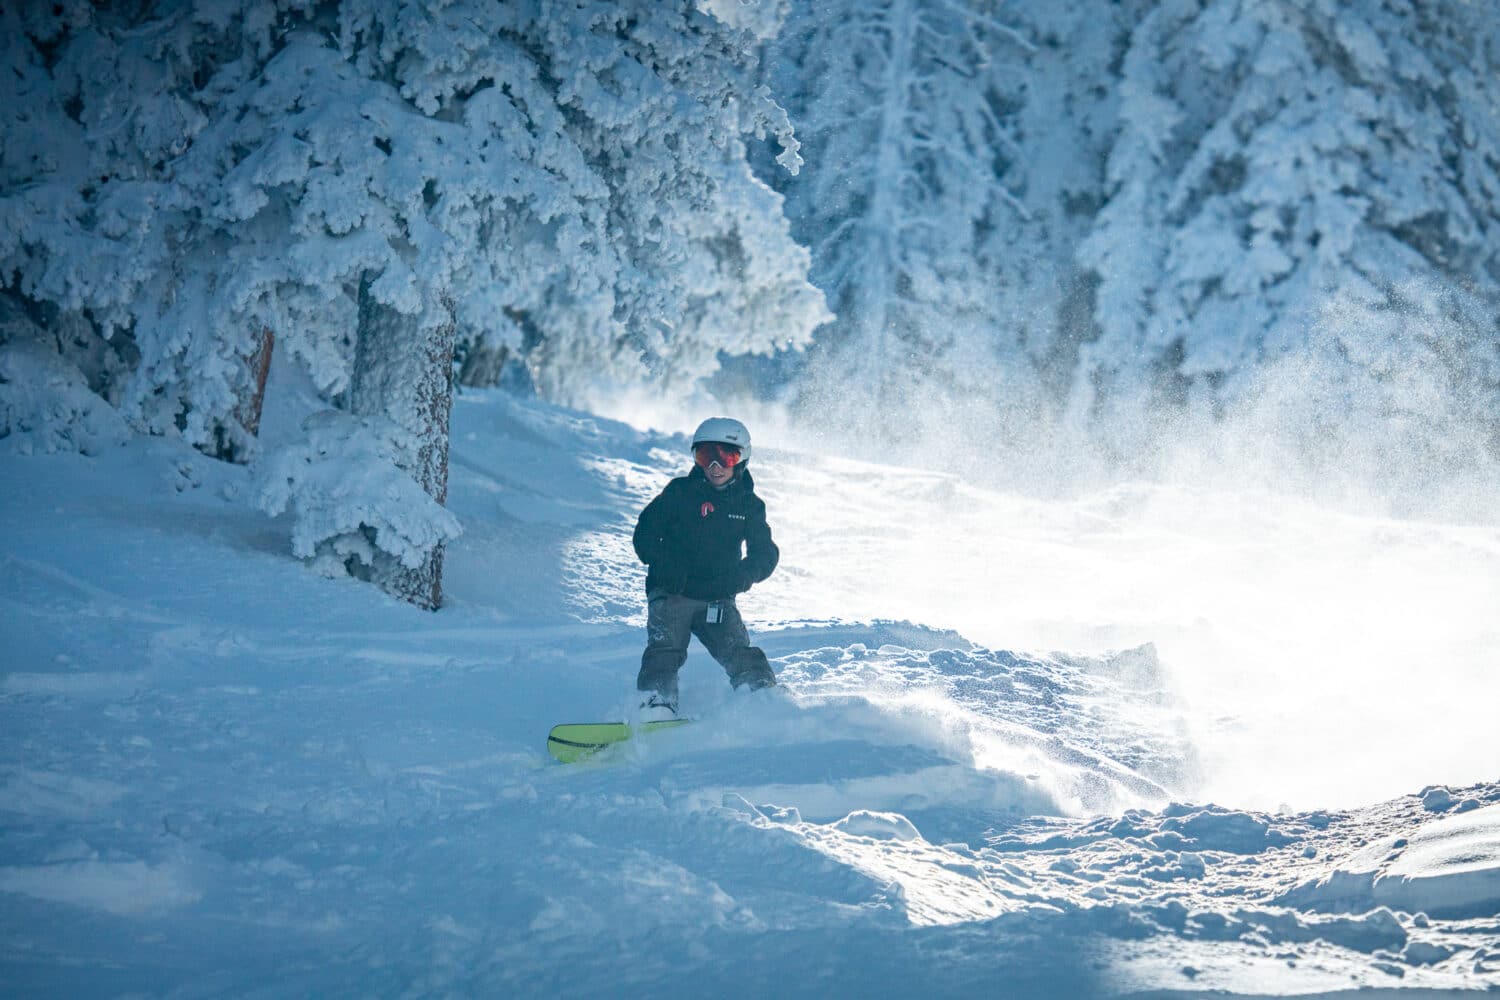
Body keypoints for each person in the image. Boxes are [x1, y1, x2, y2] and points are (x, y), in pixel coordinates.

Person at [632, 417, 779, 718]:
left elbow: (765, 554)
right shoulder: (679, 493)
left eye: (727, 456)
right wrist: (664, 564)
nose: (715, 465)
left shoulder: (749, 506)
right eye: (705, 455)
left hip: (717, 597)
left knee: (738, 651)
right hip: (673, 593)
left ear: (742, 459)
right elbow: (644, 533)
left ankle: (763, 697)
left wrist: (740, 577)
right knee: (665, 649)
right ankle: (656, 705)